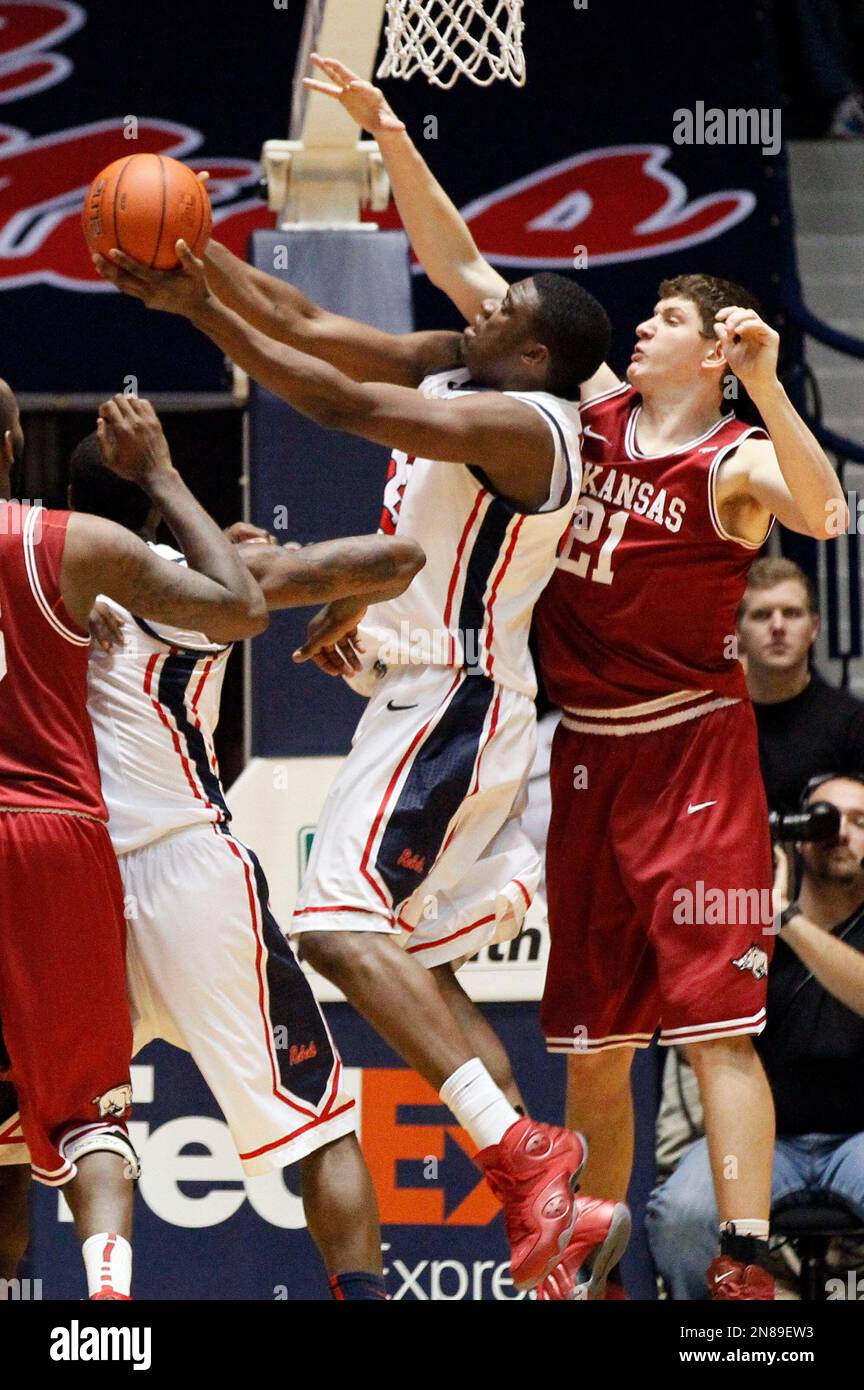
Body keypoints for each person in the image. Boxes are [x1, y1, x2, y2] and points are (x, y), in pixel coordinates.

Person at [299, 57, 849, 1301]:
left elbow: (826, 511)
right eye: (646, 314)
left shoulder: (735, 459)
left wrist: (768, 378)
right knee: (593, 1041)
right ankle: (586, 1267)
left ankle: (743, 1260)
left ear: (715, 353)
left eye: (669, 318)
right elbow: (463, 269)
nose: (642, 324)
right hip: (581, 752)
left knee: (715, 1029)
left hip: (695, 751)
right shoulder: (582, 416)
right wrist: (388, 131)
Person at [91, 186, 626, 1294]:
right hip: (420, 696)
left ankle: (528, 1159)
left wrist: (198, 309)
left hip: (456, 701)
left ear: (537, 358)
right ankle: (556, 1213)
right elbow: (311, 325)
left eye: (503, 311)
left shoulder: (529, 426)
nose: (478, 308)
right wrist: (202, 260)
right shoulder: (464, 367)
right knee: (413, 970)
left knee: (335, 926)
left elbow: (335, 400)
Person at [0, 411, 427, 1300]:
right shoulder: (198, 577)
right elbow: (399, 557)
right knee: (317, 1126)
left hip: (71, 892)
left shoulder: (60, 578)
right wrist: (330, 601)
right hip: (185, 875)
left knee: (35, 1133)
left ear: (69, 499)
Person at [0, 384, 266, 1299]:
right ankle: (108, 1303)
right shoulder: (80, 549)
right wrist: (160, 486)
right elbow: (241, 608)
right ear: (14, 445)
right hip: (54, 837)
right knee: (89, 1112)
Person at [647, 774, 864, 1299]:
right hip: (760, 1143)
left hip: (859, 1140)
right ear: (797, 835)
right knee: (682, 1216)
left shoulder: (778, 918)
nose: (840, 833)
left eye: (860, 822)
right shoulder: (745, 924)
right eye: (825, 819)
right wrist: (751, 912)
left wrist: (786, 919)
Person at [737, 556, 864, 812]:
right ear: (737, 631)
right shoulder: (715, 725)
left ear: (814, 627)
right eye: (761, 615)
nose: (778, 626)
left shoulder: (853, 724)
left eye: (791, 613)